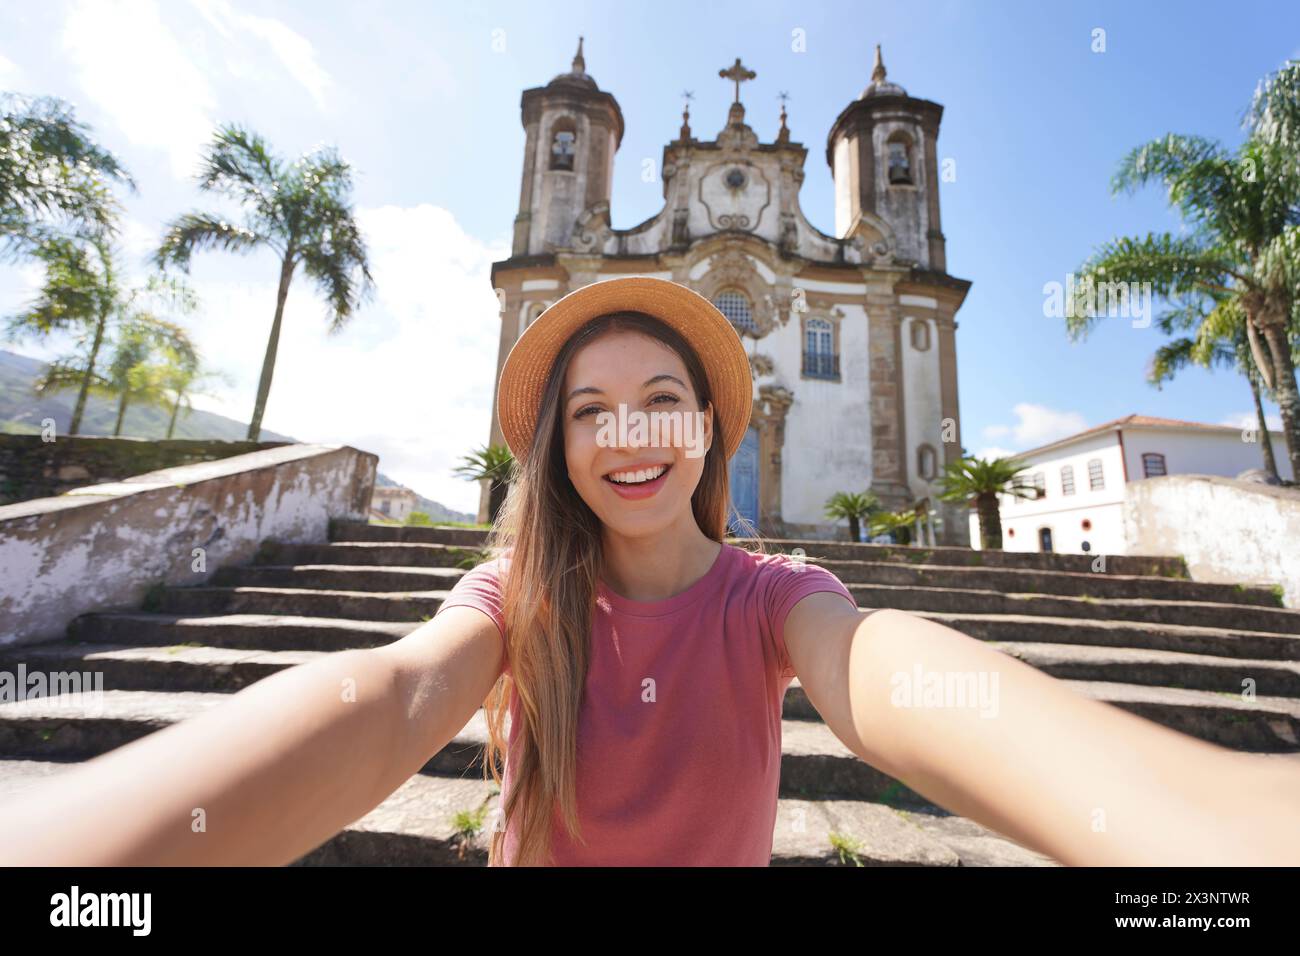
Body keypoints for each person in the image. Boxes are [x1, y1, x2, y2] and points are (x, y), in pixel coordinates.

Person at [0, 276, 1296, 866]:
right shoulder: (518, 604)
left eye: (665, 400)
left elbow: (891, 679)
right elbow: (393, 696)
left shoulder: (779, 604)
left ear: (710, 435)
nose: (631, 434)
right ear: (557, 449)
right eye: (592, 410)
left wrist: (1219, 820)